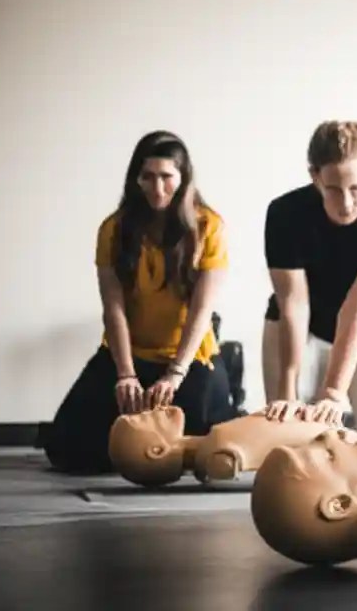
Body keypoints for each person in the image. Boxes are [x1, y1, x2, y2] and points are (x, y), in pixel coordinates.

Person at [45, 131, 236, 473]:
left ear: (183, 178)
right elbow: (113, 308)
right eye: (147, 176)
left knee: (204, 452)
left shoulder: (210, 226)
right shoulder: (113, 229)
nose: (157, 187)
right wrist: (125, 375)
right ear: (135, 178)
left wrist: (175, 375)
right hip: (130, 355)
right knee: (65, 449)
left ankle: (230, 373)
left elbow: (201, 309)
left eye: (166, 177)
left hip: (187, 360)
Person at [261, 120, 357, 474]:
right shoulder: (284, 214)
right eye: (333, 189)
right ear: (315, 176)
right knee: (294, 454)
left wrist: (334, 392)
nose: (346, 203)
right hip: (304, 329)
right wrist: (287, 392)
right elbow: (294, 304)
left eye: (356, 188)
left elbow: (356, 312)